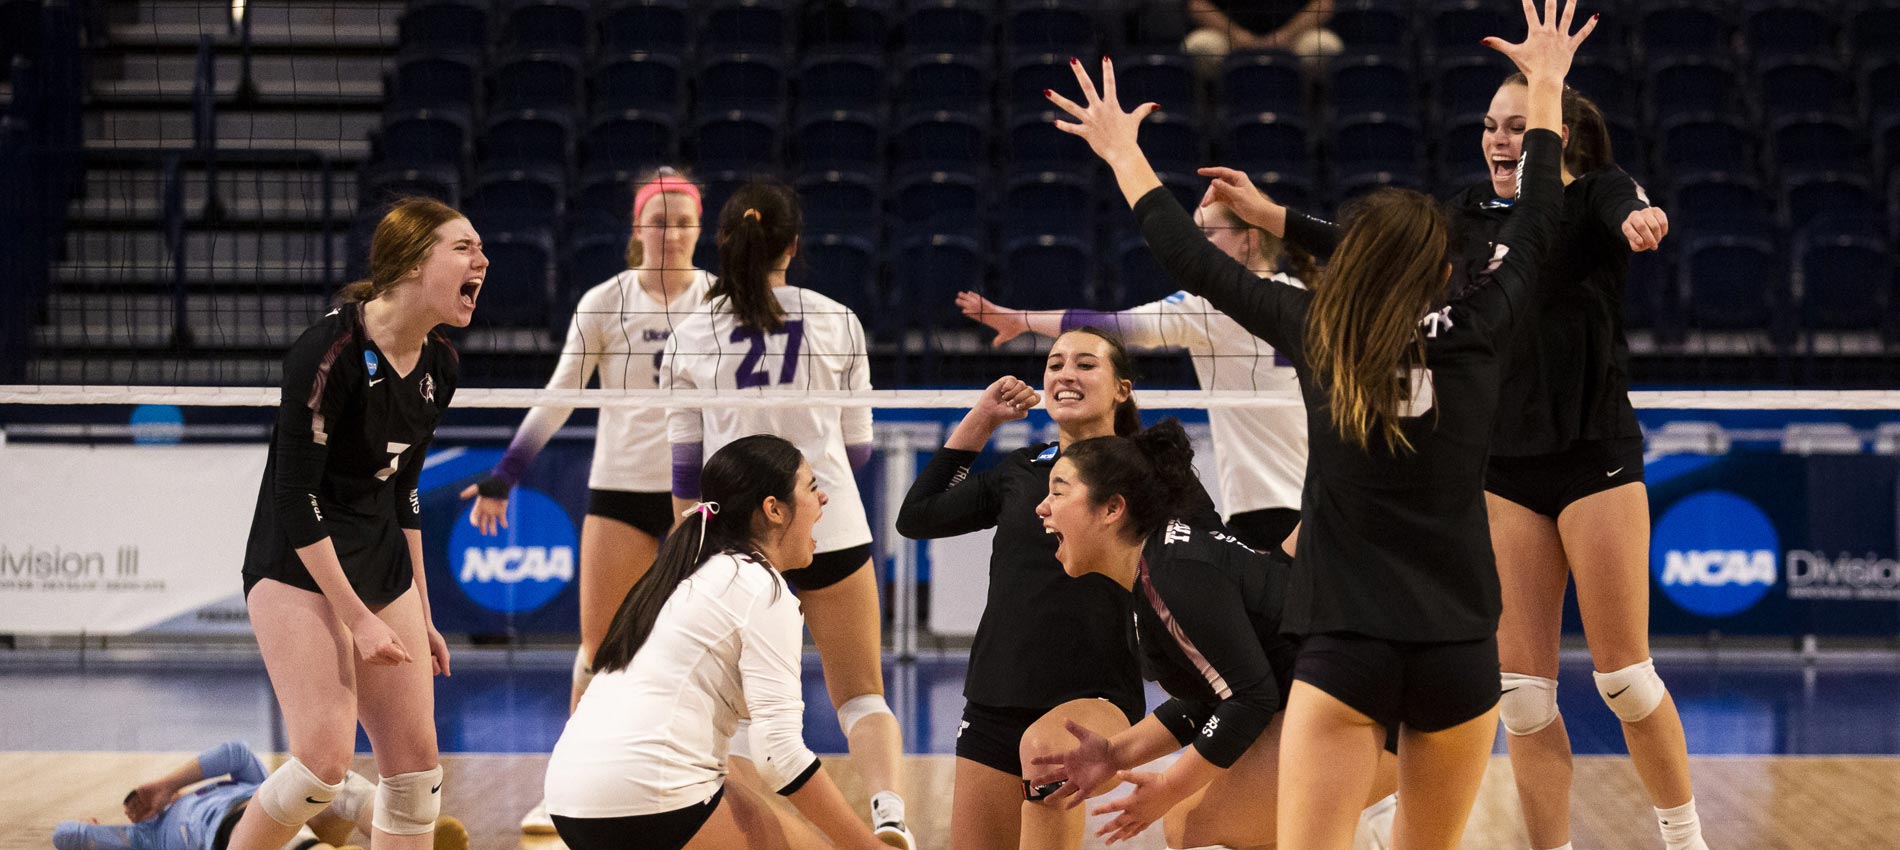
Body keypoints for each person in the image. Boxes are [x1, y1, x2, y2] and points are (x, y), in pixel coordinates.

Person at [1044, 0, 1592, 845]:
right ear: (1442, 271)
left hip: (1348, 649)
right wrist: (1548, 84)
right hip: (1456, 649)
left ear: (1352, 263)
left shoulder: (1316, 329)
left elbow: (1189, 257)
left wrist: (1124, 152)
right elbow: (1539, 216)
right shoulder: (1479, 326)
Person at [1200, 24, 1699, 850]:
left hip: (1593, 457)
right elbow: (1374, 250)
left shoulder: (1595, 193)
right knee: (1524, 698)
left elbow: (1624, 205)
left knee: (1625, 681)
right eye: (1489, 126)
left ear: (1556, 135)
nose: (1499, 140)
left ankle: (1685, 838)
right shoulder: (1466, 211)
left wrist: (1641, 218)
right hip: (1504, 464)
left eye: (1518, 126)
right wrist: (1272, 216)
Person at [453, 166, 714, 835]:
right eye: (659, 222)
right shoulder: (606, 300)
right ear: (637, 229)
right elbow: (561, 394)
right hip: (622, 486)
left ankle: (704, 785)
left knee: (707, 649)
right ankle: (565, 788)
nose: (672, 234)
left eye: (683, 223)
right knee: (599, 649)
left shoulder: (719, 300)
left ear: (699, 229)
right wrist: (506, 473)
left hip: (699, 495)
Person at [659, 181, 911, 848]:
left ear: (723, 242)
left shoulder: (691, 333)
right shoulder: (837, 319)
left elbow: (685, 469)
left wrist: (689, 543)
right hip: (828, 521)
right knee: (862, 693)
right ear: (793, 247)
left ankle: (766, 834)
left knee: (735, 715)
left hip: (734, 538)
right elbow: (859, 448)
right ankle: (890, 816)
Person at [895, 329, 1214, 850]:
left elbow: (1214, 553)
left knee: (1045, 762)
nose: (1066, 374)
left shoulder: (1148, 472)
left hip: (1093, 695)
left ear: (1122, 389)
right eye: (1055, 364)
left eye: (1086, 364)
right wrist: (983, 419)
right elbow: (917, 517)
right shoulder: (1024, 468)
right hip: (996, 693)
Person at [233, 198, 480, 850]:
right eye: (463, 247)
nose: (481, 260)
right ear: (412, 263)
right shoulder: (328, 352)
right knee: (322, 763)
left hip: (379, 560)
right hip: (297, 562)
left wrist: (420, 610)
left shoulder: (440, 366)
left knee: (416, 772)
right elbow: (295, 497)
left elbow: (404, 491)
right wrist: (357, 617)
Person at [1027, 421, 1396, 850]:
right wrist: (1114, 753)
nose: (1041, 508)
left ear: (1112, 509)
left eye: (1058, 491)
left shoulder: (1170, 573)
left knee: (1190, 824)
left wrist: (1169, 786)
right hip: (1358, 690)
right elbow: (1212, 697)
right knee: (1222, 826)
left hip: (1375, 702)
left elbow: (1250, 697)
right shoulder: (1162, 563)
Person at [545, 435, 891, 850]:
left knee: (735, 792)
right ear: (774, 509)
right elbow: (779, 754)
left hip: (567, 798)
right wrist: (868, 846)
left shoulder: (682, 575)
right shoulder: (760, 588)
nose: (824, 499)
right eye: (812, 487)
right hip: (644, 799)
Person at [952, 203, 1314, 552]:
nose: (1197, 246)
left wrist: (1022, 320)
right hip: (1318, 498)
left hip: (1266, 507)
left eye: (1208, 234)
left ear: (1249, 239)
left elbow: (1115, 327)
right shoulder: (1303, 297)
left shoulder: (1212, 306)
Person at [52, 741, 468, 850]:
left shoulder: (229, 785)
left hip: (283, 813)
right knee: (265, 820)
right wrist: (91, 831)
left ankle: (411, 840)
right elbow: (65, 835)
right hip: (229, 837)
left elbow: (235, 752)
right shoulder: (144, 837)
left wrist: (167, 784)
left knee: (327, 780)